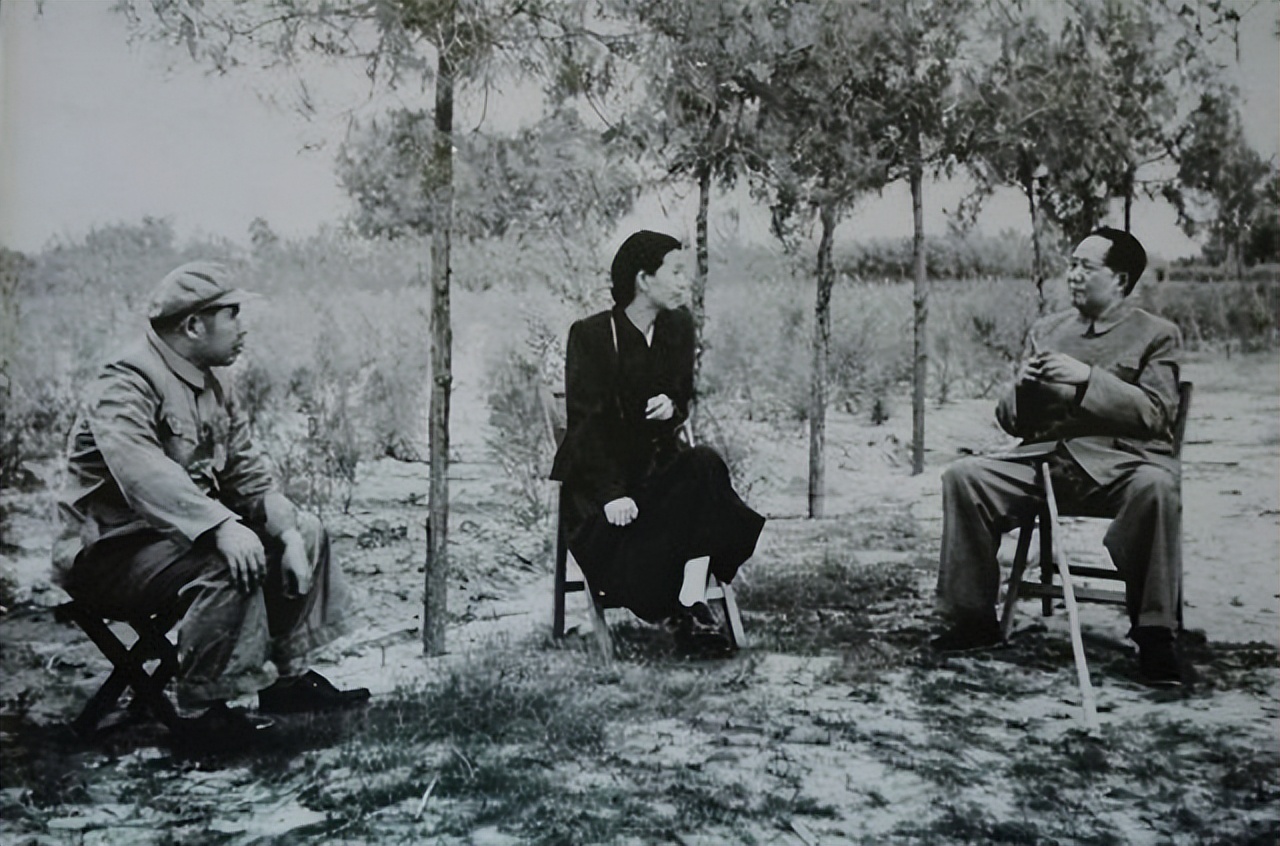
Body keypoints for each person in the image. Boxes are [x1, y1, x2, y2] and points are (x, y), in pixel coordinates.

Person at [53, 261, 368, 737]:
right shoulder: (126, 380)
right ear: (194, 326)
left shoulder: (213, 379)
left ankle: (284, 682)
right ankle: (206, 710)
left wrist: (285, 528)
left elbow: (244, 468)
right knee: (227, 561)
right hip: (111, 553)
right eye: (233, 314)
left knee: (302, 532)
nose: (244, 328)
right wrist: (222, 527)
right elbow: (143, 474)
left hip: (173, 541)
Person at [933, 227, 1185, 687]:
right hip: (1043, 463)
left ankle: (1154, 635)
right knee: (964, 477)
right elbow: (1011, 422)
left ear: (1120, 280)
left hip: (1119, 466)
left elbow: (1157, 413)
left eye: (1085, 267)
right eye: (1071, 264)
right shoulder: (1047, 331)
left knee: (1158, 488)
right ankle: (972, 620)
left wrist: (1088, 378)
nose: (1072, 276)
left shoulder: (1157, 335)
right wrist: (1022, 388)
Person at [549, 231, 766, 653]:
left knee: (705, 464)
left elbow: (681, 394)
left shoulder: (679, 327)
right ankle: (687, 610)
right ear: (644, 280)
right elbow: (585, 426)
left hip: (656, 481)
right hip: (602, 497)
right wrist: (611, 493)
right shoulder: (591, 336)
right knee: (704, 497)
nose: (686, 282)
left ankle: (690, 600)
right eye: (676, 272)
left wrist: (673, 407)